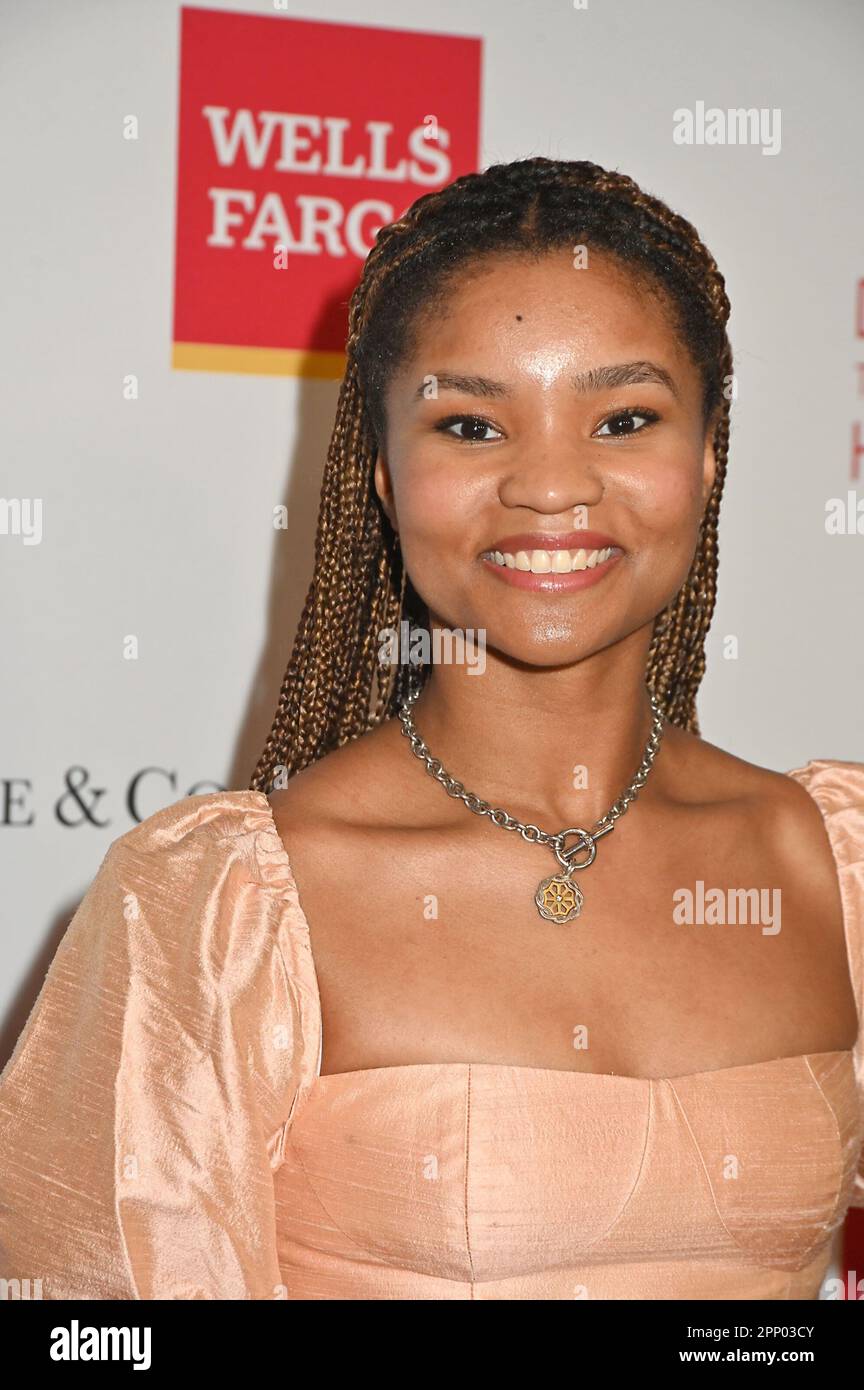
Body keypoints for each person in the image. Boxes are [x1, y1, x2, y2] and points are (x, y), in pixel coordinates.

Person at [1, 157, 862, 1301]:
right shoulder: (223, 911)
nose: (553, 487)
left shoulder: (835, 862)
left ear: (707, 457)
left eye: (623, 417)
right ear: (385, 477)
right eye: (469, 423)